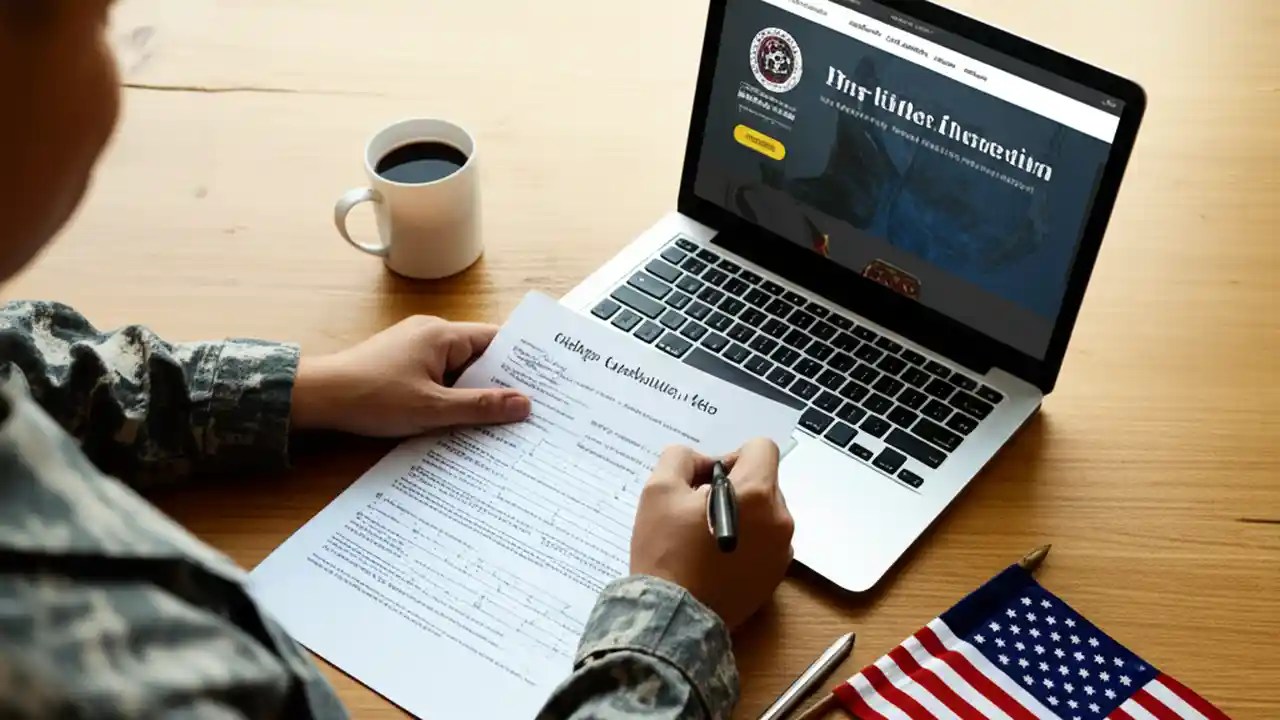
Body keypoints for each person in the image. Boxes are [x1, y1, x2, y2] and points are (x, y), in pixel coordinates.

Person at [0, 3, 796, 719]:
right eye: (94, 24)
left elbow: (30, 373)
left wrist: (303, 390)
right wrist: (671, 625)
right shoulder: (85, 674)